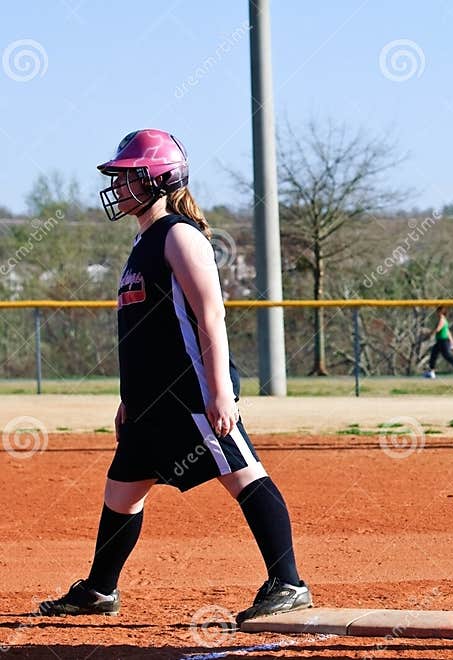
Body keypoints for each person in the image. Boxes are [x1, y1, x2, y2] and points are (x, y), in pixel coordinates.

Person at [35, 129, 312, 625]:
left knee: (243, 475)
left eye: (129, 177)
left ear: (159, 180)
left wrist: (221, 391)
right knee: (122, 491)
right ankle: (99, 590)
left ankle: (288, 582)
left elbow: (211, 316)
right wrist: (128, 401)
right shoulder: (143, 242)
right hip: (148, 405)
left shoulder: (178, 234)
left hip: (190, 395)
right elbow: (144, 332)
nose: (119, 186)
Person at [423, 306, 453, 378]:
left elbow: (438, 329)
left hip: (443, 341)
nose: (436, 313)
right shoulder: (444, 320)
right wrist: (452, 340)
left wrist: (429, 333)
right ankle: (431, 372)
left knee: (447, 355)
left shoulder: (442, 320)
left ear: (441, 312)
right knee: (433, 354)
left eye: (437, 311)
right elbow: (447, 331)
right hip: (440, 341)